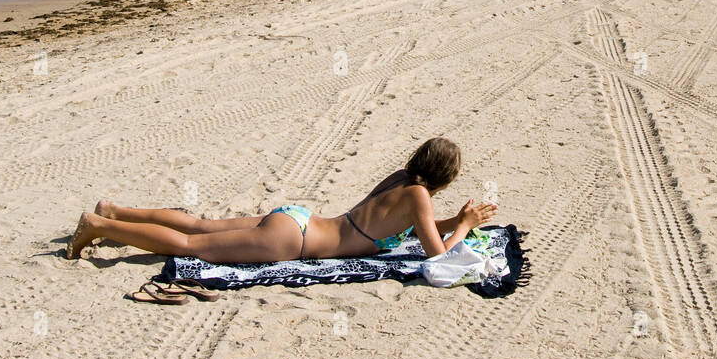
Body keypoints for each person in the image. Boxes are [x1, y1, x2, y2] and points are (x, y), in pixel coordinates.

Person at [65, 137, 498, 264]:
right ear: (444, 176)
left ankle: (116, 210)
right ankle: (100, 225)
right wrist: (463, 225)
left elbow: (414, 229)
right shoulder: (420, 196)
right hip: (296, 242)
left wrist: (453, 220)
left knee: (198, 226)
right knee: (190, 247)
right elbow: (437, 258)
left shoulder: (404, 180)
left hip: (298, 218)